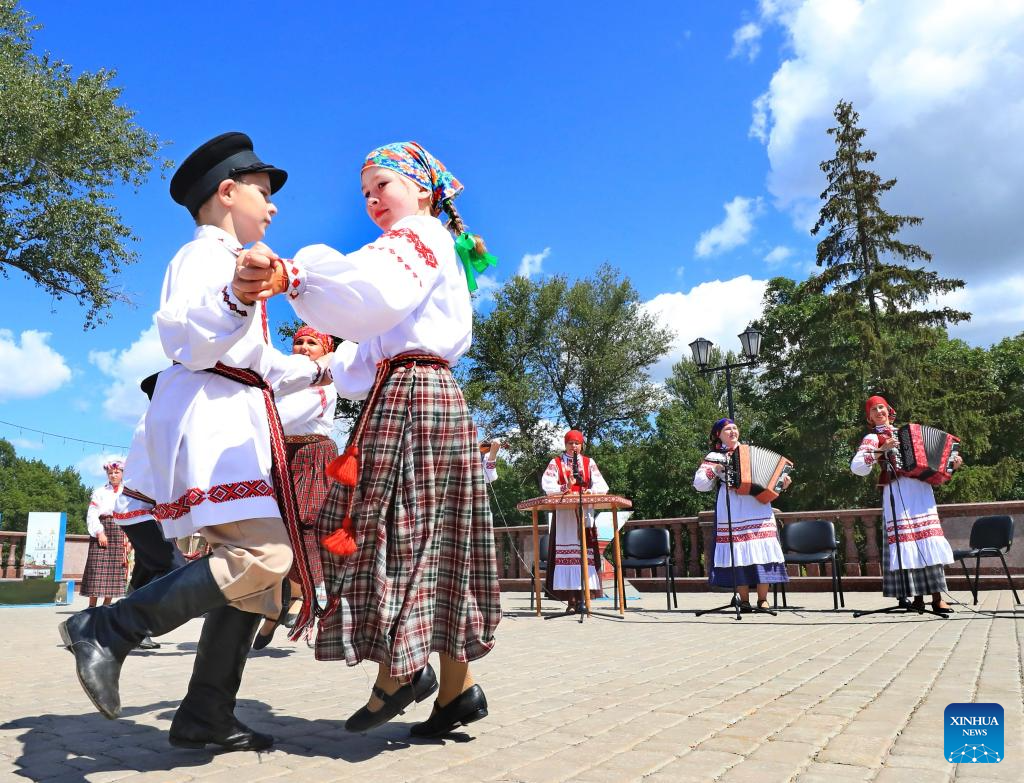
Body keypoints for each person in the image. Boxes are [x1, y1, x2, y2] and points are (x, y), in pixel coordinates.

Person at [60, 132, 327, 752]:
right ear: (227, 193)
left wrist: (325, 368)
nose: (273, 206)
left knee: (257, 580)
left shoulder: (233, 262)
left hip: (235, 412)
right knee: (265, 555)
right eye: (263, 192)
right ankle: (111, 627)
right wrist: (236, 294)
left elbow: (258, 362)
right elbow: (185, 337)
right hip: (213, 418)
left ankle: (206, 712)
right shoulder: (204, 256)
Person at [243, 141, 502, 738]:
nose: (372, 200)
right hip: (413, 391)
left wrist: (295, 274)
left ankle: (400, 672)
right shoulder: (420, 249)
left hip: (415, 396)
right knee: (436, 536)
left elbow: (371, 294)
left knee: (400, 530)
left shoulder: (419, 236)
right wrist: (307, 368)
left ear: (422, 189)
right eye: (365, 192)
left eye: (382, 185)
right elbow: (362, 356)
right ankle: (455, 690)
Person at [252, 324, 339, 650]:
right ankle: (277, 606)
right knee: (274, 529)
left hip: (313, 455)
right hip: (282, 456)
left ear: (326, 350)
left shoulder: (324, 383)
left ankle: (313, 600)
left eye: (312, 342)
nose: (303, 347)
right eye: (298, 342)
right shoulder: (285, 380)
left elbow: (282, 416)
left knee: (307, 523)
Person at [850, 395, 962, 613]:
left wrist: (952, 464)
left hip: (921, 491)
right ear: (870, 418)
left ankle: (937, 597)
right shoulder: (872, 437)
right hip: (897, 490)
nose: (879, 412)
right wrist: (882, 449)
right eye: (873, 410)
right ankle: (917, 598)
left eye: (881, 407)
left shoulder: (908, 433)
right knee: (909, 545)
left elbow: (936, 466)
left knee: (929, 541)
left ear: (889, 411)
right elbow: (857, 467)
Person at [692, 419, 791, 611]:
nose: (732, 431)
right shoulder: (715, 456)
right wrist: (715, 470)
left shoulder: (749, 452)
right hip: (733, 508)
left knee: (762, 552)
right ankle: (744, 600)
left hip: (758, 506)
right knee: (738, 553)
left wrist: (783, 483)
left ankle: (763, 600)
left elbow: (773, 482)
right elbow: (699, 484)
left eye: (734, 428)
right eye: (727, 429)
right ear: (718, 435)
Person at [112, 408, 188, 651]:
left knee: (145, 573)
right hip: (138, 508)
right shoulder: (157, 418)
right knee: (174, 568)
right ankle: (120, 621)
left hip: (149, 511)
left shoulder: (164, 417)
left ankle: (134, 629)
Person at [540, 430, 609, 613]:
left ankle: (583, 599)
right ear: (565, 445)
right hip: (564, 515)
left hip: (584, 511)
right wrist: (566, 486)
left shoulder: (588, 462)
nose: (574, 446)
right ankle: (570, 599)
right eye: (570, 443)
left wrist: (590, 491)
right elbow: (547, 484)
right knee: (567, 555)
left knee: (583, 555)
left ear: (582, 445)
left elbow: (602, 485)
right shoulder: (556, 462)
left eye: (577, 443)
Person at [79, 461, 130, 608]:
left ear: (122, 473)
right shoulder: (100, 492)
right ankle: (91, 607)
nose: (113, 475)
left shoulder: (128, 492)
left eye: (116, 472)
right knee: (96, 568)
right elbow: (92, 513)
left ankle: (106, 607)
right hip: (102, 528)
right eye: (110, 473)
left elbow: (131, 514)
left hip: (120, 529)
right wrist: (99, 532)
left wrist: (129, 538)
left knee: (115, 569)